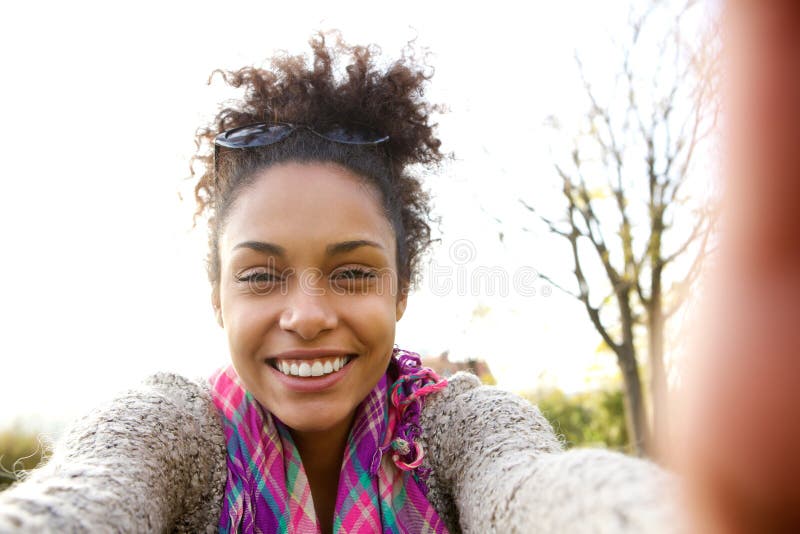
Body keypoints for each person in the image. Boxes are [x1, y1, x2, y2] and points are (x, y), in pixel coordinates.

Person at [0, 32, 679, 533]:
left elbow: (530, 485)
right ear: (217, 298)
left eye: (352, 273)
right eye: (260, 275)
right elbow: (87, 495)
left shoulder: (457, 429)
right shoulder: (176, 430)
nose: (307, 315)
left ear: (401, 289)